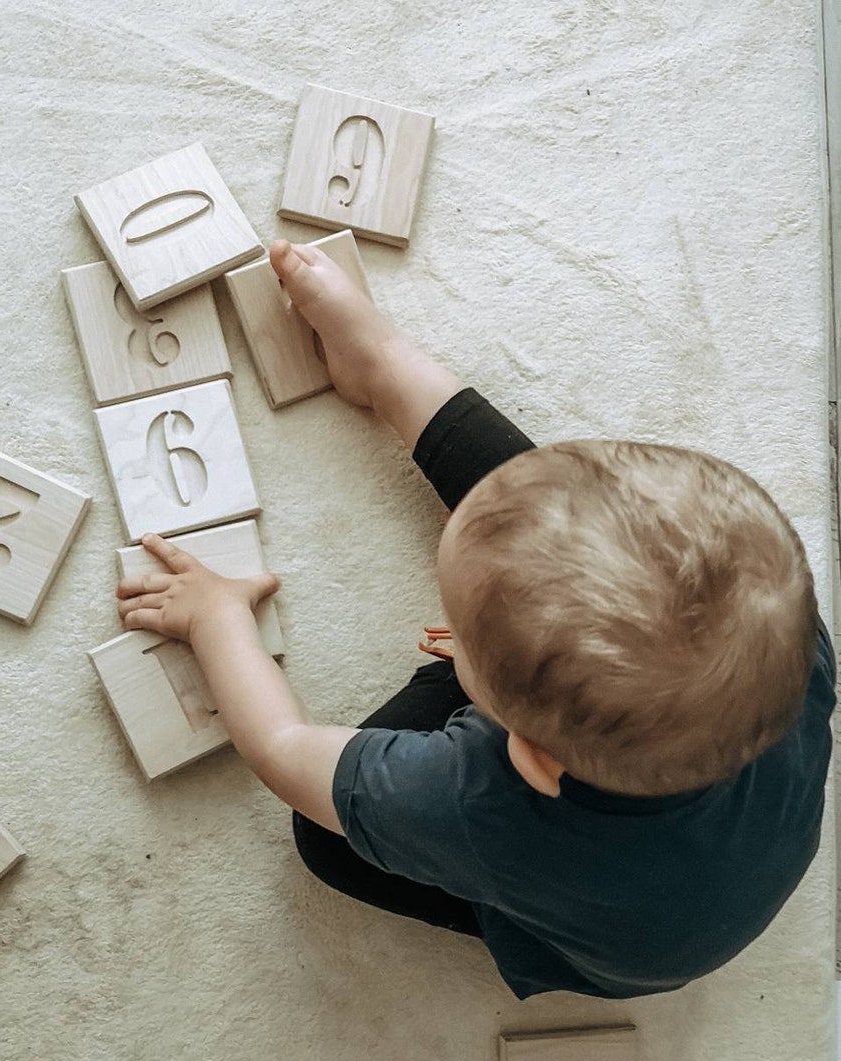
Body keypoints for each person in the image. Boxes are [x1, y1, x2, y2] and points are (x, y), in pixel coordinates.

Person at [116, 239, 836, 1001]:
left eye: (463, 642)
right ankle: (376, 362)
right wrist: (387, 348)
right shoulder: (782, 625)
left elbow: (283, 751)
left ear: (527, 757)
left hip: (611, 950)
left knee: (326, 842)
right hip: (721, 857)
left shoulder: (484, 804)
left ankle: (489, 639)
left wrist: (217, 618)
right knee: (549, 525)